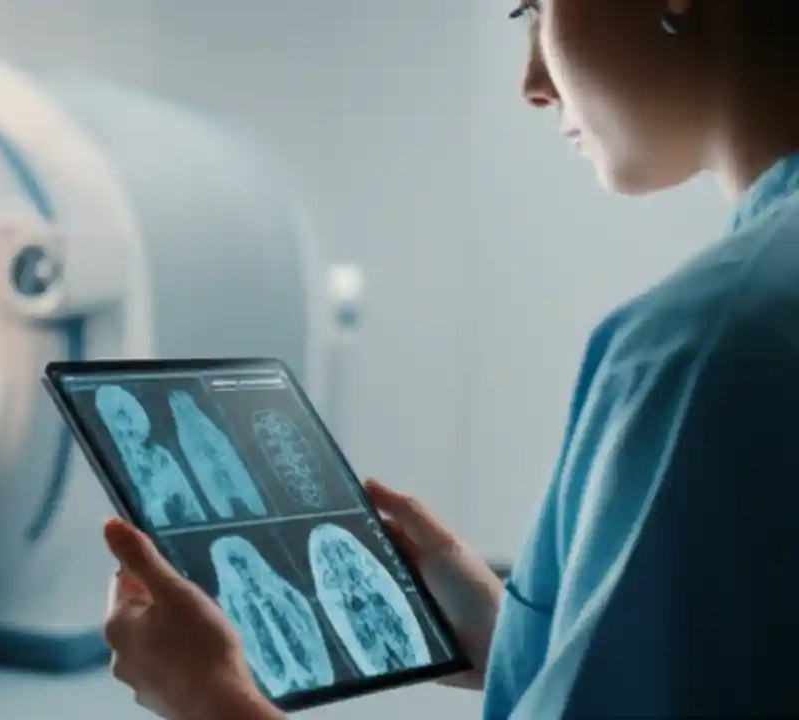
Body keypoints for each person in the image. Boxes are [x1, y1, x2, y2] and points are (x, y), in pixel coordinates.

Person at [100, 1, 799, 717]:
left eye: (534, 11)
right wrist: (517, 641)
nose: (533, 83)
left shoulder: (707, 341)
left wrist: (211, 698)